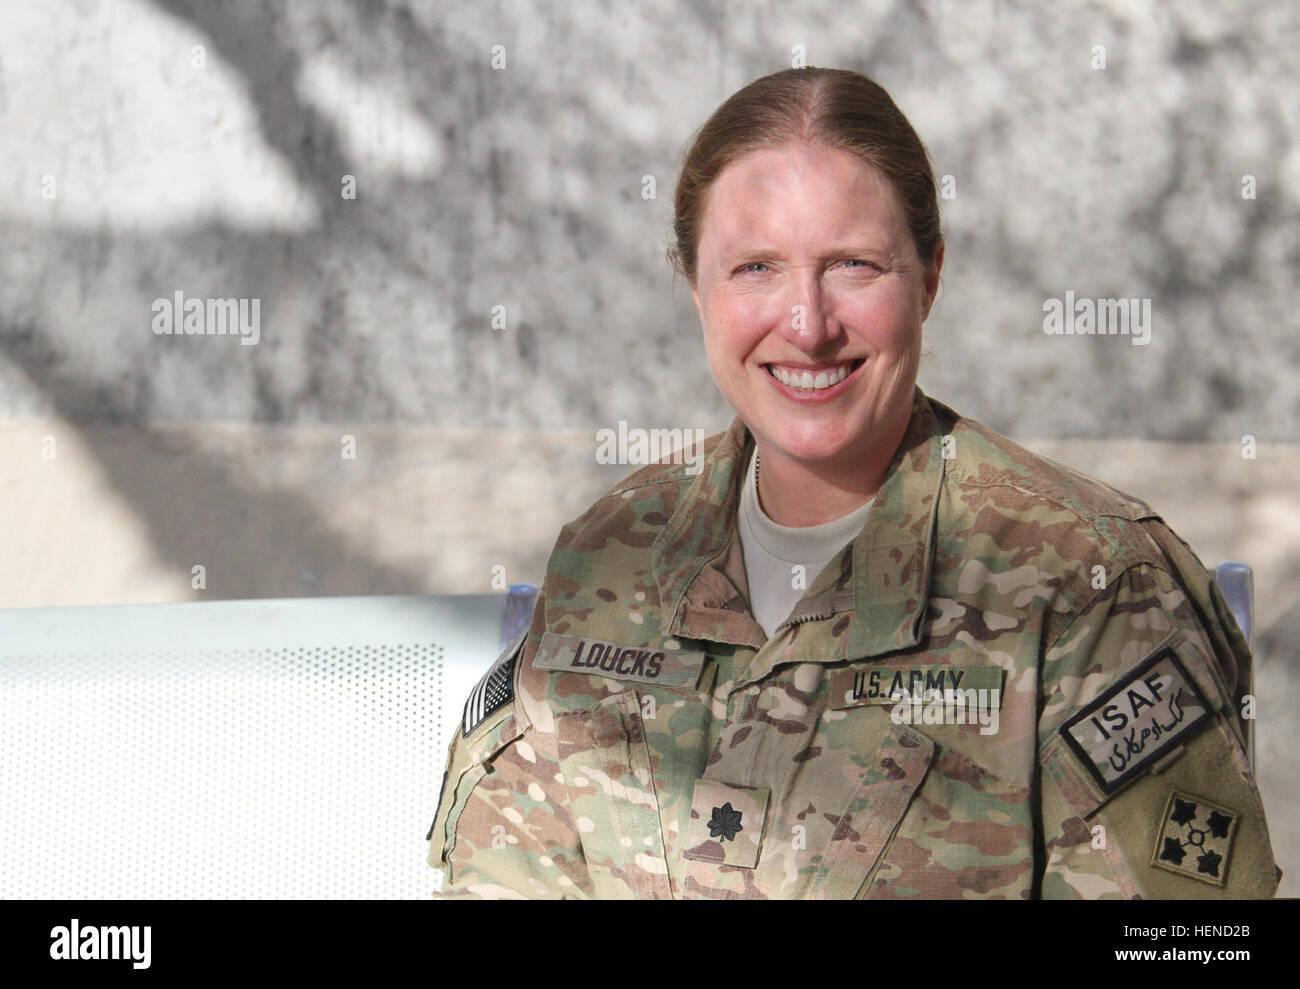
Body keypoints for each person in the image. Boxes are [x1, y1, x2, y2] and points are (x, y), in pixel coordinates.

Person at [425, 66, 1281, 899]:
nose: (807, 324)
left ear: (929, 280)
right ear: (695, 288)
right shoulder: (609, 558)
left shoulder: (1088, 585)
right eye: (756, 267)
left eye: (854, 265)